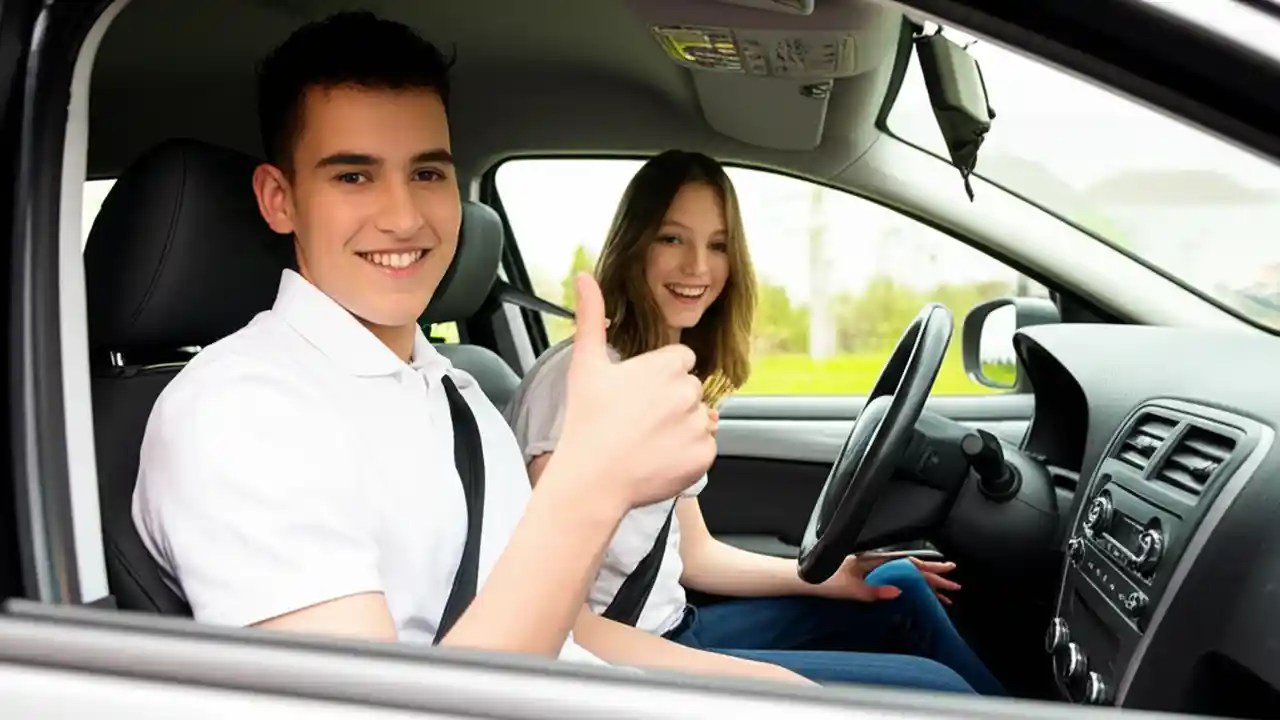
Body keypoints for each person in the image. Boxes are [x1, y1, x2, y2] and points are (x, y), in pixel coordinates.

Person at [131, 10, 878, 688]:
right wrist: (592, 485)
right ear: (279, 199)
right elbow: (381, 709)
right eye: (354, 175)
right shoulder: (236, 411)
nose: (404, 216)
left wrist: (769, 691)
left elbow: (568, 629)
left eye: (427, 173)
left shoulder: (451, 393)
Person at [505, 150, 1005, 695]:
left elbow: (692, 555)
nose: (698, 267)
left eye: (717, 245)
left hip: (676, 627)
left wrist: (824, 577)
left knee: (899, 584)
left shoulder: (658, 375)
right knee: (937, 690)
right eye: (673, 238)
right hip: (617, 663)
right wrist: (765, 681)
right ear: (635, 245)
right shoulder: (578, 387)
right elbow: (556, 624)